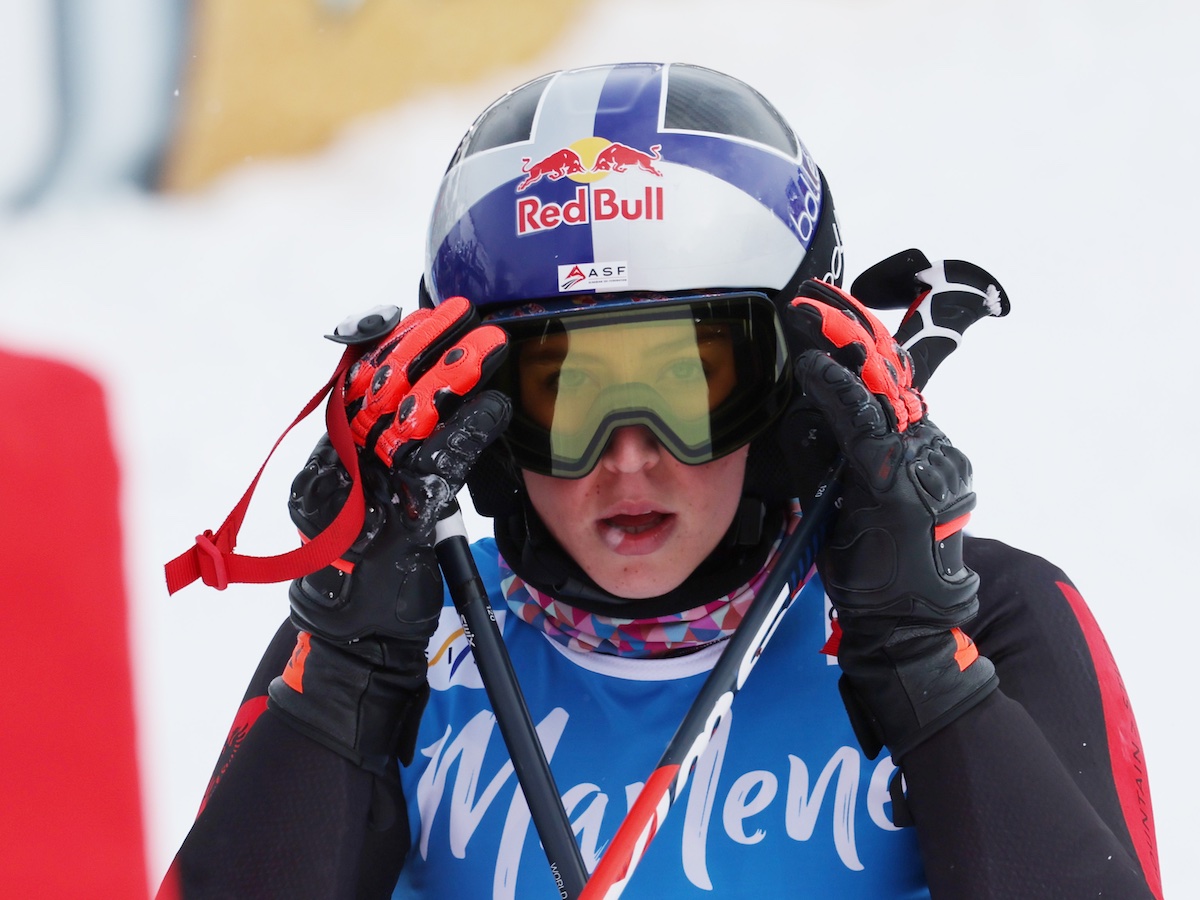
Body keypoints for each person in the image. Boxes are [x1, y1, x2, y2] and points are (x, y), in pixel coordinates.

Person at [160, 63, 1162, 899]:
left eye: (689, 383)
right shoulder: (388, 638)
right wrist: (347, 682)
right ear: (476, 413)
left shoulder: (987, 615)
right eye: (565, 391)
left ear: (793, 392)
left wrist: (925, 674)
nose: (628, 457)